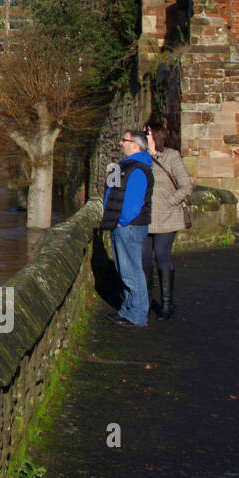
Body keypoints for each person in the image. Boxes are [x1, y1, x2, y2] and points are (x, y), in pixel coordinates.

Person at [100, 130, 154, 327]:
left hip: (129, 226)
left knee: (131, 272)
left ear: (135, 145)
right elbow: (111, 193)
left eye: (124, 140)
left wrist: (122, 221)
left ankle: (138, 315)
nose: (120, 143)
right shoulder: (125, 167)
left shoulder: (138, 169)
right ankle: (128, 310)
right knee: (124, 270)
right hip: (121, 225)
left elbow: (134, 203)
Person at [143, 120, 193, 319]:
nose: (143, 136)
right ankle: (145, 302)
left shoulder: (171, 156)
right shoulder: (139, 157)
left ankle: (166, 304)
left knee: (162, 257)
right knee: (144, 260)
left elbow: (186, 186)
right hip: (144, 217)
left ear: (155, 136)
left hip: (167, 216)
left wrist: (170, 201)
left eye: (146, 133)